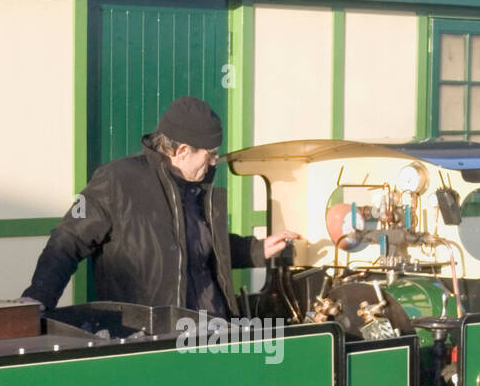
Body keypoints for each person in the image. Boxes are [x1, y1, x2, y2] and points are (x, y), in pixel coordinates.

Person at [21, 96, 298, 317]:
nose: (214, 163)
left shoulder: (198, 189)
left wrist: (256, 249)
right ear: (182, 151)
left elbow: (203, 247)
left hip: (212, 335)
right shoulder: (117, 181)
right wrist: (38, 298)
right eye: (210, 154)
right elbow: (67, 239)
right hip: (148, 339)